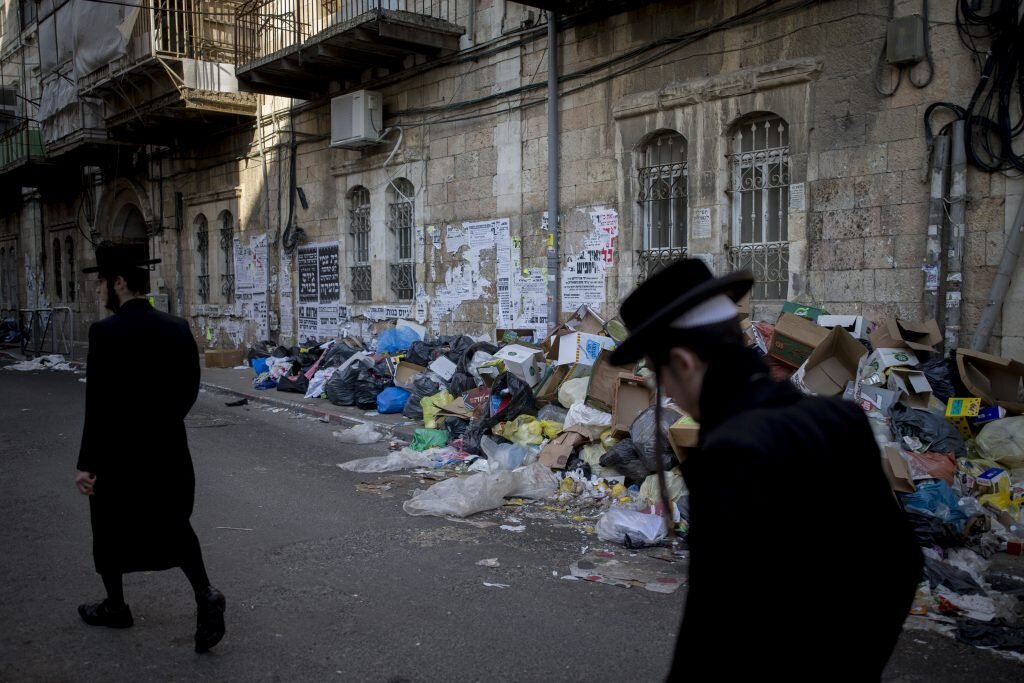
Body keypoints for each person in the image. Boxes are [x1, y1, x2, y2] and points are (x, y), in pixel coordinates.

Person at [608, 259, 922, 679]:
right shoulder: (839, 418)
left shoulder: (729, 455)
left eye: (657, 374)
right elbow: (900, 563)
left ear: (683, 364)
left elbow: (712, 631)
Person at [75, 242, 226, 653]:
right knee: (175, 525)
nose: (98, 292)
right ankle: (206, 594)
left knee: (108, 530)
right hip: (168, 452)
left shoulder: (104, 333)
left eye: (101, 283)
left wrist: (88, 463)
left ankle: (116, 606)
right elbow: (189, 390)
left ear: (119, 283)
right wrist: (162, 423)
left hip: (118, 457)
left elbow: (99, 405)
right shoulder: (177, 327)